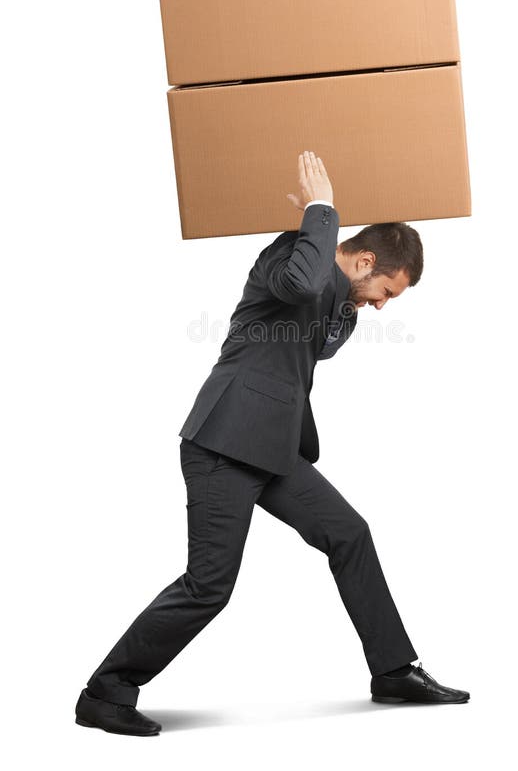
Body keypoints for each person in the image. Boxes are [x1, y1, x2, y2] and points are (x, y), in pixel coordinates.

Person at [75, 150, 470, 736]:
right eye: (385, 289)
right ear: (363, 258)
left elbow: (327, 341)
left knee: (349, 533)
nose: (384, 305)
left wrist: (347, 285)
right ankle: (105, 691)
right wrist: (320, 213)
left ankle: (392, 670)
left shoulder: (332, 285)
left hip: (275, 448)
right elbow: (304, 279)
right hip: (224, 443)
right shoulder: (292, 255)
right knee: (209, 586)